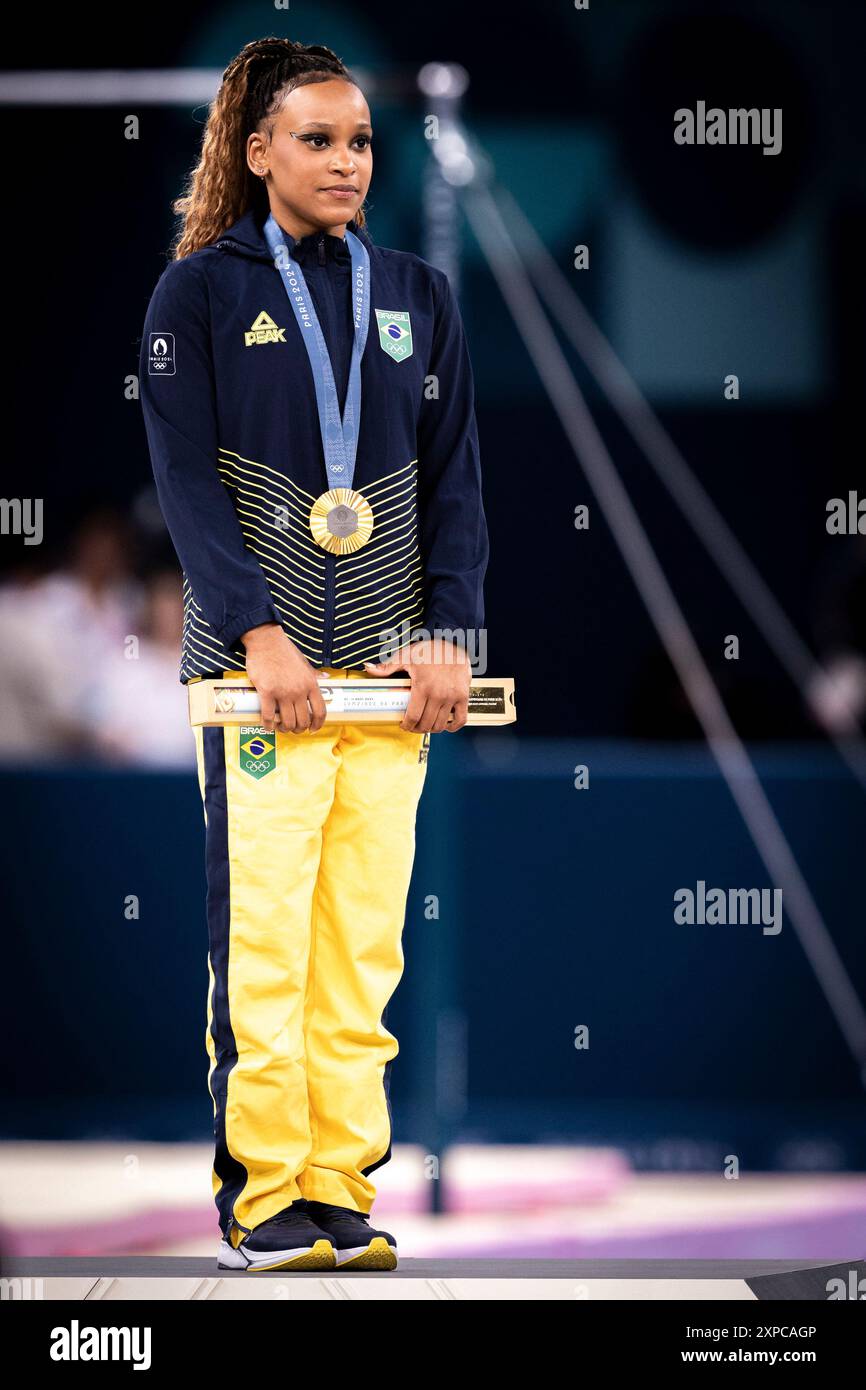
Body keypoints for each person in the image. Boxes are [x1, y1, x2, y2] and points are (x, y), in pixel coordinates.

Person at [139, 36, 489, 1272]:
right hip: (258, 682)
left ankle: (340, 1185)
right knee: (267, 950)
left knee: (361, 953)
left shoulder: (415, 295)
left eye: (359, 142)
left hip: (387, 680)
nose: (346, 161)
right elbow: (183, 486)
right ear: (256, 152)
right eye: (317, 140)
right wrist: (259, 630)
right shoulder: (199, 294)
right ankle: (261, 1197)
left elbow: (452, 484)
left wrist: (450, 632)